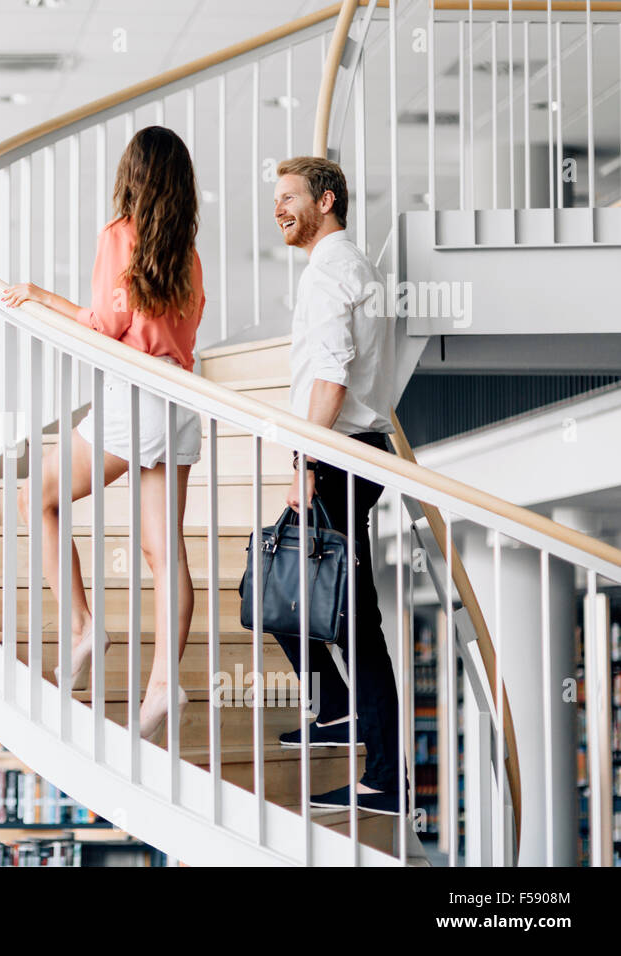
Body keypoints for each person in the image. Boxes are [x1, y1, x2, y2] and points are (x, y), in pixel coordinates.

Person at [0, 125, 205, 743]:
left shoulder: (121, 236)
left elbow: (101, 326)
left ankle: (86, 625)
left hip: (132, 395)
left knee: (37, 496)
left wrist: (38, 296)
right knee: (162, 551)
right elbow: (183, 336)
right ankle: (165, 683)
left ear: (132, 177)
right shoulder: (187, 254)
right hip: (178, 397)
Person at [271, 155, 403, 814]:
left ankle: (377, 768)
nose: (278, 208)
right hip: (357, 453)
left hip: (338, 458)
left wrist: (305, 460)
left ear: (326, 200)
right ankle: (348, 723)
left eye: (290, 196)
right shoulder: (356, 267)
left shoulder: (329, 274)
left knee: (277, 591)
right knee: (341, 615)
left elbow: (331, 376)